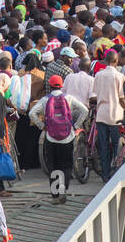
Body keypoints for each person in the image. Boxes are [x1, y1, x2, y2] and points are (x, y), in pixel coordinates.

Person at [29, 73, 88, 203]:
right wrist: (75, 125)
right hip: (67, 137)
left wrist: (42, 126)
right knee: (66, 165)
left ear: (49, 86)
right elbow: (85, 110)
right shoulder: (69, 98)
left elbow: (32, 113)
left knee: (53, 166)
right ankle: (63, 190)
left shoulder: (45, 100)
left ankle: (55, 196)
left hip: (51, 137)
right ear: (61, 86)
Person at [91, 54, 125, 181]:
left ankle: (105, 175)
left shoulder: (98, 75)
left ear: (105, 61)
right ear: (116, 61)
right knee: (117, 145)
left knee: (104, 146)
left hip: (101, 115)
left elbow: (94, 94)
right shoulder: (119, 76)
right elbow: (121, 97)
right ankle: (116, 172)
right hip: (115, 115)